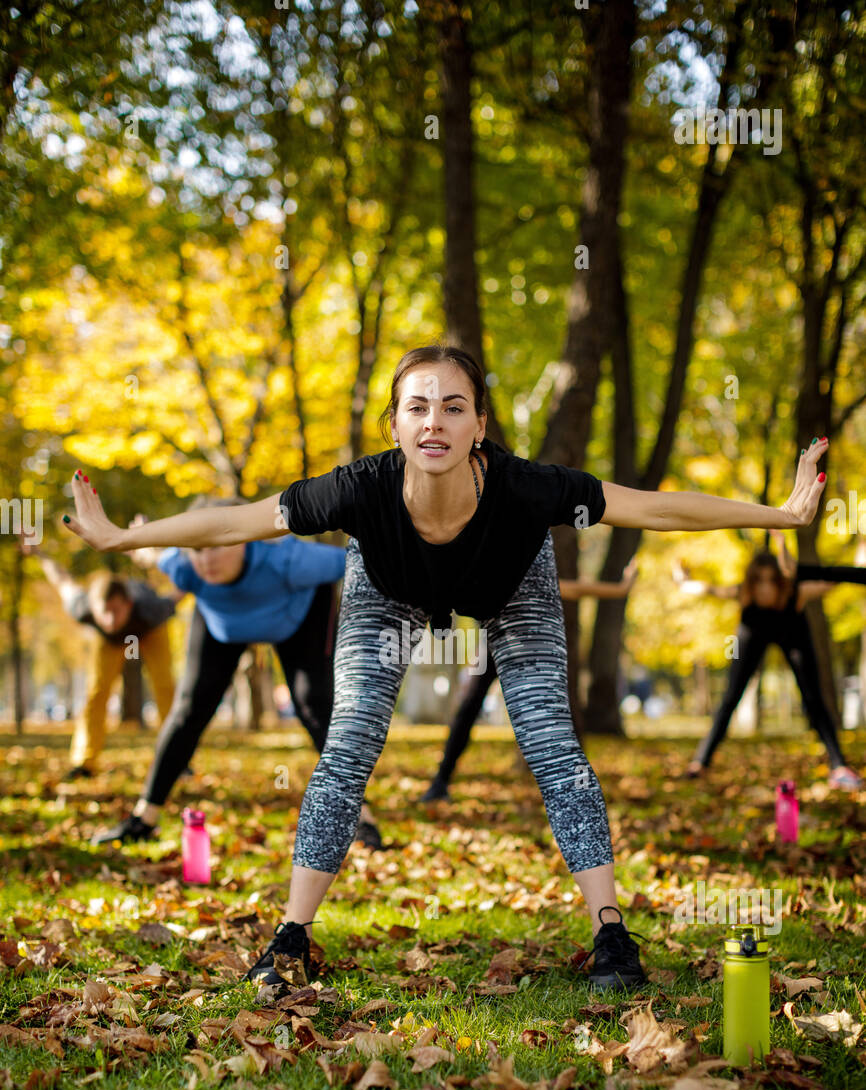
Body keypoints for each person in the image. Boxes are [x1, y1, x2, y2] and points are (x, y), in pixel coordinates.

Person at [60, 344, 830, 994]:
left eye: (454, 406)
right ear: (395, 424)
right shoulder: (358, 488)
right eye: (418, 406)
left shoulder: (527, 488)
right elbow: (237, 518)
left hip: (510, 587)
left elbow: (653, 507)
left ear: (480, 425)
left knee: (553, 748)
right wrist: (118, 541)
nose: (435, 421)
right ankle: (292, 935)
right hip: (386, 593)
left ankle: (610, 933)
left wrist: (783, 514)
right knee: (350, 739)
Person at [91, 498, 383, 850]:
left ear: (244, 537)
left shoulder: (289, 561)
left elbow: (359, 560)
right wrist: (140, 544)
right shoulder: (186, 569)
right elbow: (154, 555)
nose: (206, 560)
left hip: (297, 617)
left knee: (313, 705)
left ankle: (362, 817)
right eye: (196, 549)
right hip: (223, 626)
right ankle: (144, 817)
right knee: (189, 708)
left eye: (217, 547)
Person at [421, 559, 638, 802]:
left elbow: (574, 588)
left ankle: (566, 789)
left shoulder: (530, 576)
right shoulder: (483, 568)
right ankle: (440, 782)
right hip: (492, 648)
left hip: (527, 651)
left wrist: (621, 589)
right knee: (468, 710)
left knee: (544, 717)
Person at [675, 529, 864, 788]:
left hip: (794, 635)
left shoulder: (796, 592)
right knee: (731, 697)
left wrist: (858, 559)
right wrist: (683, 581)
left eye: (771, 580)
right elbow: (707, 589)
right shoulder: (742, 593)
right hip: (749, 637)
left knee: (813, 697)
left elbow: (830, 582)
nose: (765, 587)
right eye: (759, 581)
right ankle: (700, 762)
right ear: (751, 582)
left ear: (780, 581)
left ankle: (839, 765)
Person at [23, 541, 177, 778]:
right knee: (96, 691)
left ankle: (178, 759)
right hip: (109, 642)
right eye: (103, 611)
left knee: (165, 687)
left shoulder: (151, 608)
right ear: (93, 608)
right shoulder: (82, 607)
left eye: (116, 610)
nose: (110, 619)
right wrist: (39, 552)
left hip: (150, 631)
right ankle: (85, 761)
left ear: (129, 604)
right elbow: (61, 579)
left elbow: (184, 587)